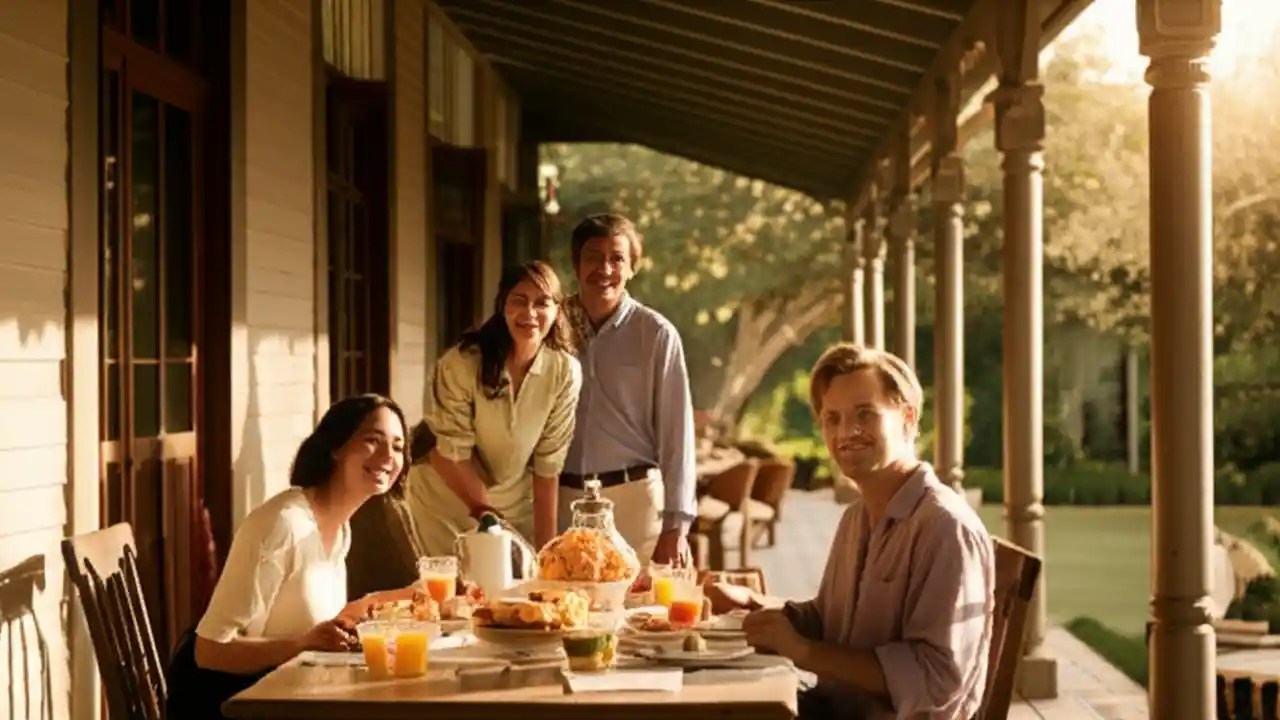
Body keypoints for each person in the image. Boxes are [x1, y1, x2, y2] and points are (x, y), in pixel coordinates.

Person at [741, 344, 995, 720]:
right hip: (829, 709)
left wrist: (803, 652)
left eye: (865, 414)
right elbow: (831, 621)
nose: (847, 432)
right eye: (833, 418)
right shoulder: (856, 518)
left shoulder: (945, 527)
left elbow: (935, 678)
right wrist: (759, 609)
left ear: (908, 418)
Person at [168, 394, 414, 717]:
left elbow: (312, 619)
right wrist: (303, 644)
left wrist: (406, 596)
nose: (387, 456)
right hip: (233, 704)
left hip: (297, 697)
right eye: (372, 440)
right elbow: (210, 651)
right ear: (336, 447)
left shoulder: (340, 530)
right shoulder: (282, 524)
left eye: (397, 447)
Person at [406, 261, 582, 553]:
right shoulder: (462, 363)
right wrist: (492, 519)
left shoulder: (564, 372)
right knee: (457, 593)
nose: (530, 313)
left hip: (514, 503)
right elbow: (453, 452)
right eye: (519, 301)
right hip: (444, 500)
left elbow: (547, 466)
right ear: (503, 306)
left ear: (557, 310)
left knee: (527, 587)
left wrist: (547, 552)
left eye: (542, 303)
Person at [558, 213, 698, 567]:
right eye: (593, 256)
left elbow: (677, 434)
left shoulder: (656, 335)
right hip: (560, 500)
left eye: (617, 258)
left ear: (632, 268)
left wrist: (676, 527)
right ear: (576, 265)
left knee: (637, 615)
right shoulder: (551, 325)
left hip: (633, 503)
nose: (604, 268)